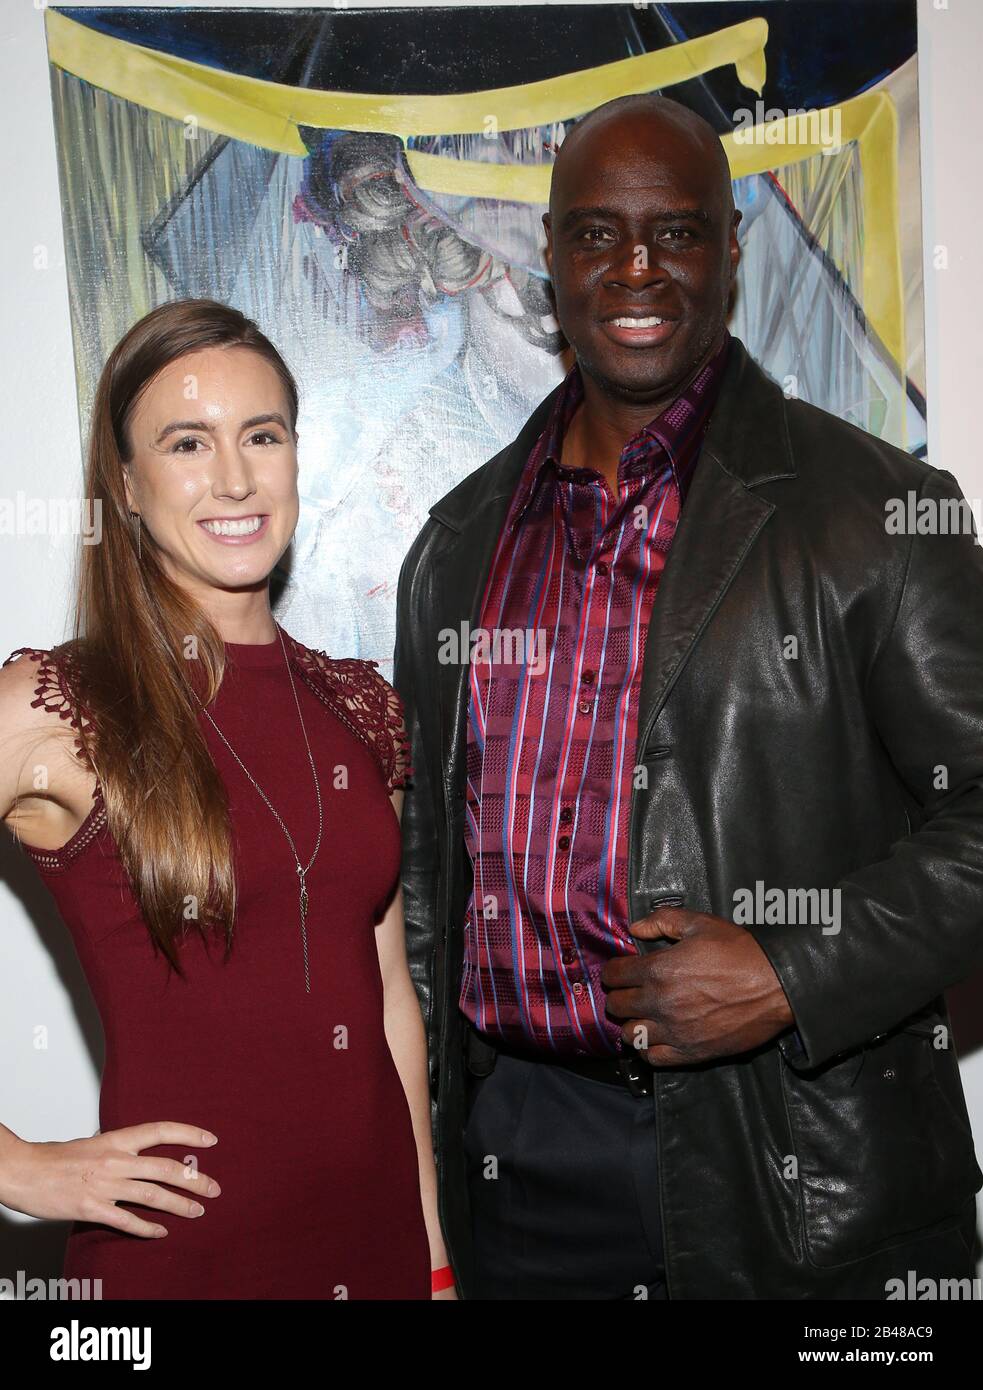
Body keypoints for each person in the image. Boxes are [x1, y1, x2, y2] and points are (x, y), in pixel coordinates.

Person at [393, 93, 983, 1299]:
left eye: (676, 231)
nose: (635, 267)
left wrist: (789, 970)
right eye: (597, 233)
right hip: (517, 1167)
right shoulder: (457, 541)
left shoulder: (875, 511)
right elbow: (419, 875)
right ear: (547, 260)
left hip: (790, 1167)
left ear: (731, 253)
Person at [0, 298, 455, 1300]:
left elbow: (387, 1006)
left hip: (375, 1255)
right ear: (124, 483)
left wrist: (430, 1258)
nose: (235, 478)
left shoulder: (356, 706)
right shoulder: (55, 707)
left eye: (262, 435)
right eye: (185, 443)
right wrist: (22, 1167)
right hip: (183, 1270)